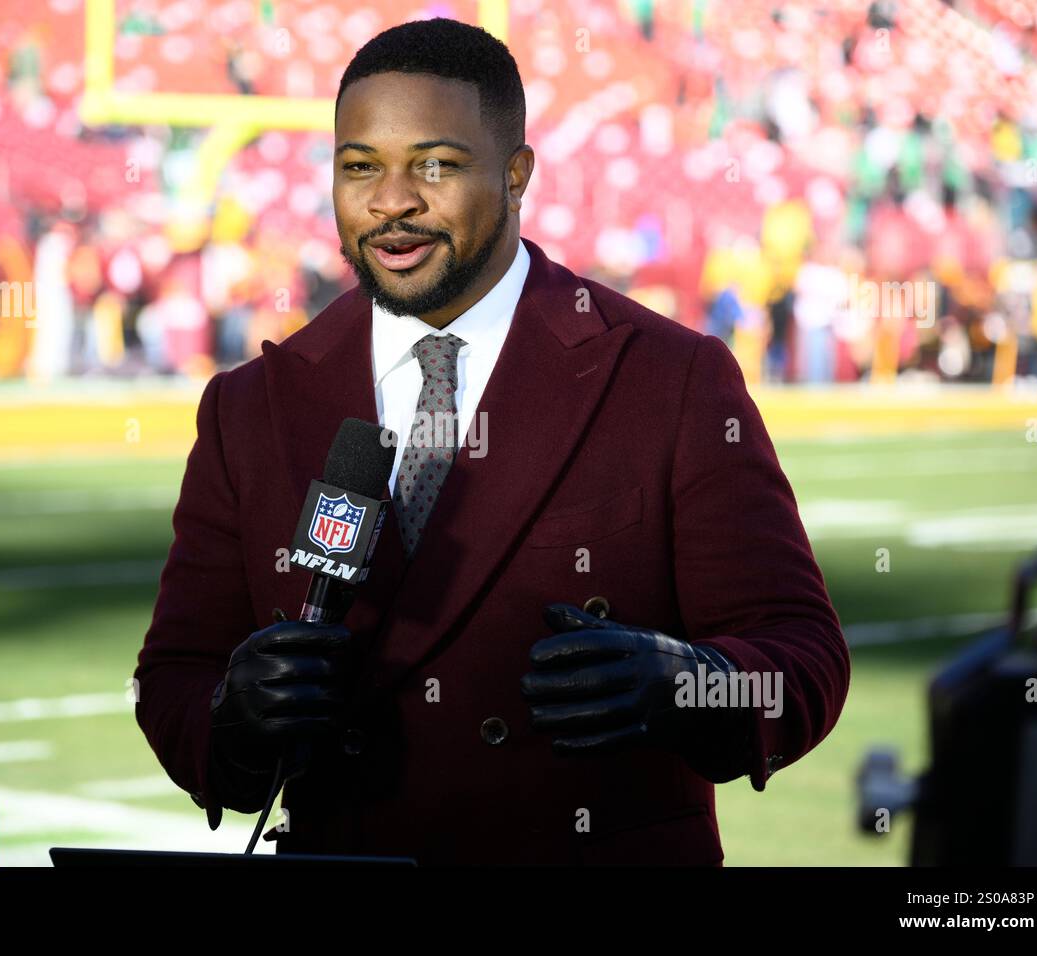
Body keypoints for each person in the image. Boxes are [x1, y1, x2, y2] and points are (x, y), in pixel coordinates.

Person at [133, 17, 849, 866]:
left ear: (516, 177)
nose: (392, 200)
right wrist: (234, 714)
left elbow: (801, 658)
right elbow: (172, 679)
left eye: (435, 165)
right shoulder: (249, 407)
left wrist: (684, 683)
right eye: (360, 167)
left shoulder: (669, 377)